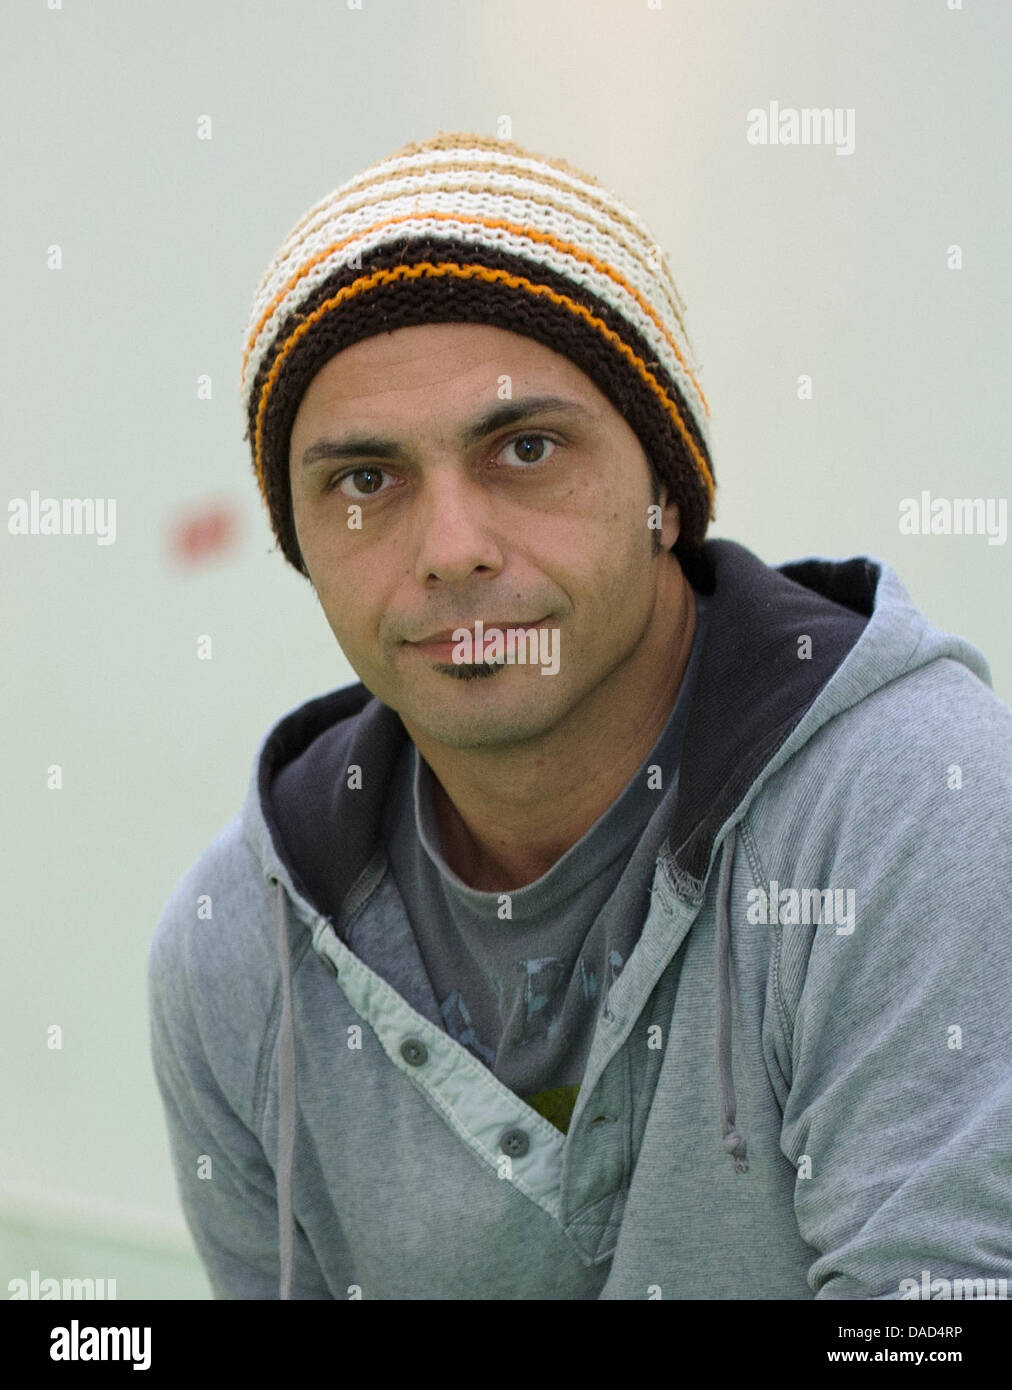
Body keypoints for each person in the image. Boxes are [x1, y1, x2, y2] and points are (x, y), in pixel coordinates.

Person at [148, 131, 1012, 1300]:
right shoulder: (238, 946)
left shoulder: (914, 802)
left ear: (665, 488)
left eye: (525, 447)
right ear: (300, 543)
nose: (452, 549)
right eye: (365, 480)